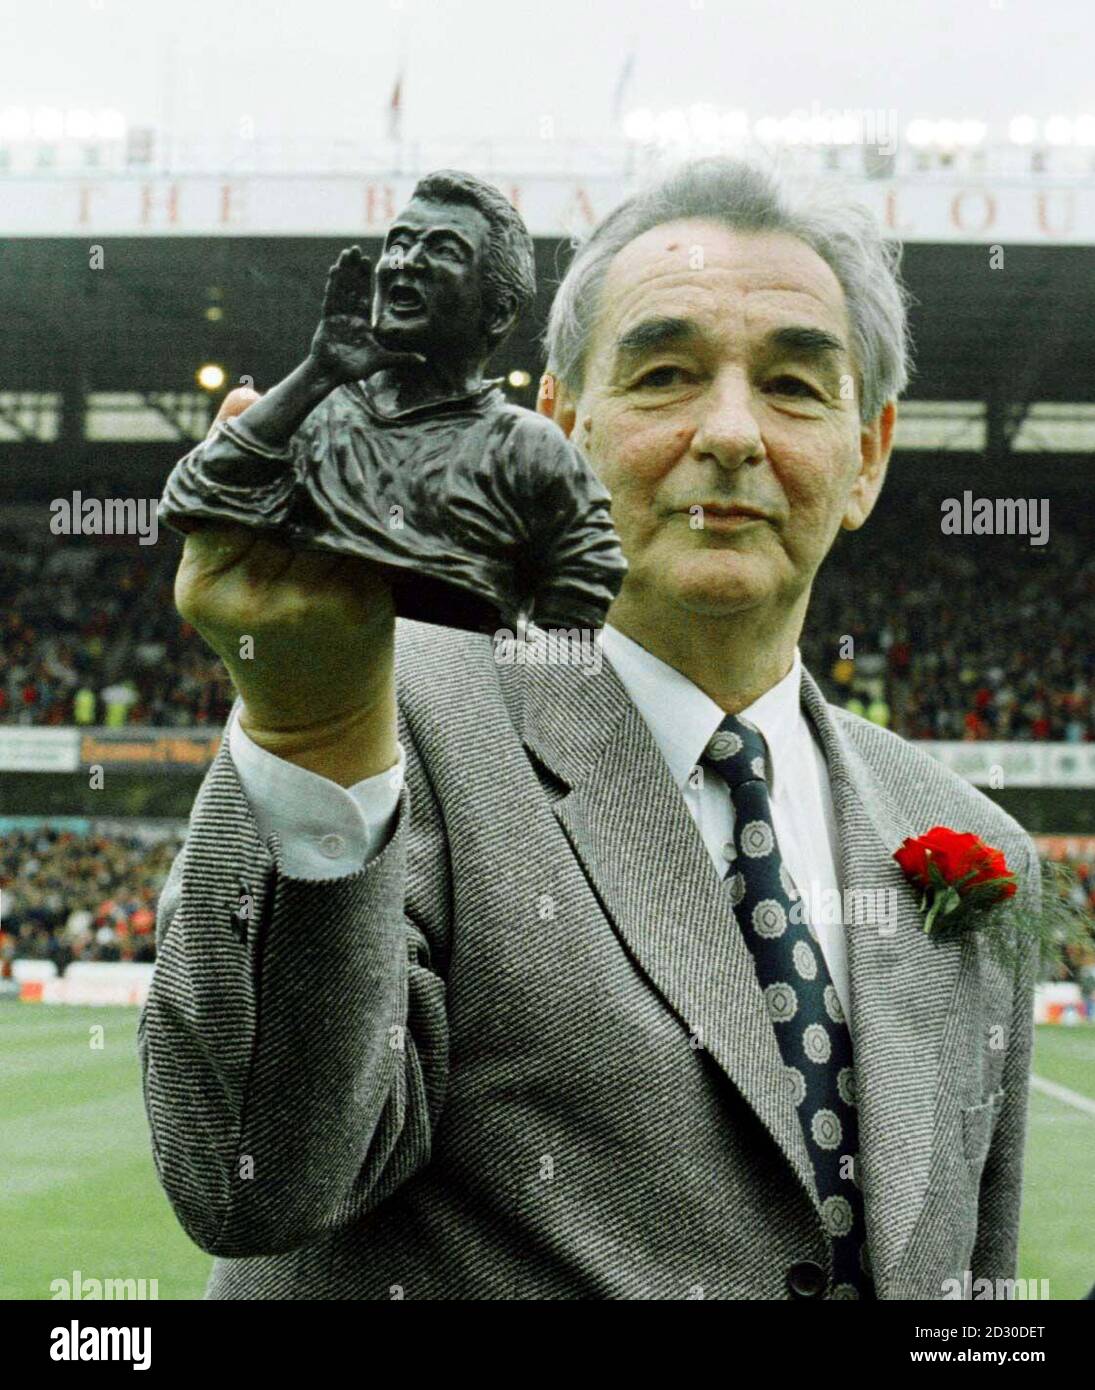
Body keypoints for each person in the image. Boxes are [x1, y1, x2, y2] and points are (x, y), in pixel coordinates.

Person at [140, 157, 1042, 1301]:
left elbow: (978, 1289)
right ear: (560, 422)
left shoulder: (980, 849)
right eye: (665, 373)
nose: (730, 431)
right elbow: (249, 1184)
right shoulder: (383, 715)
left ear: (867, 455)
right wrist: (311, 730)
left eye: (796, 388)